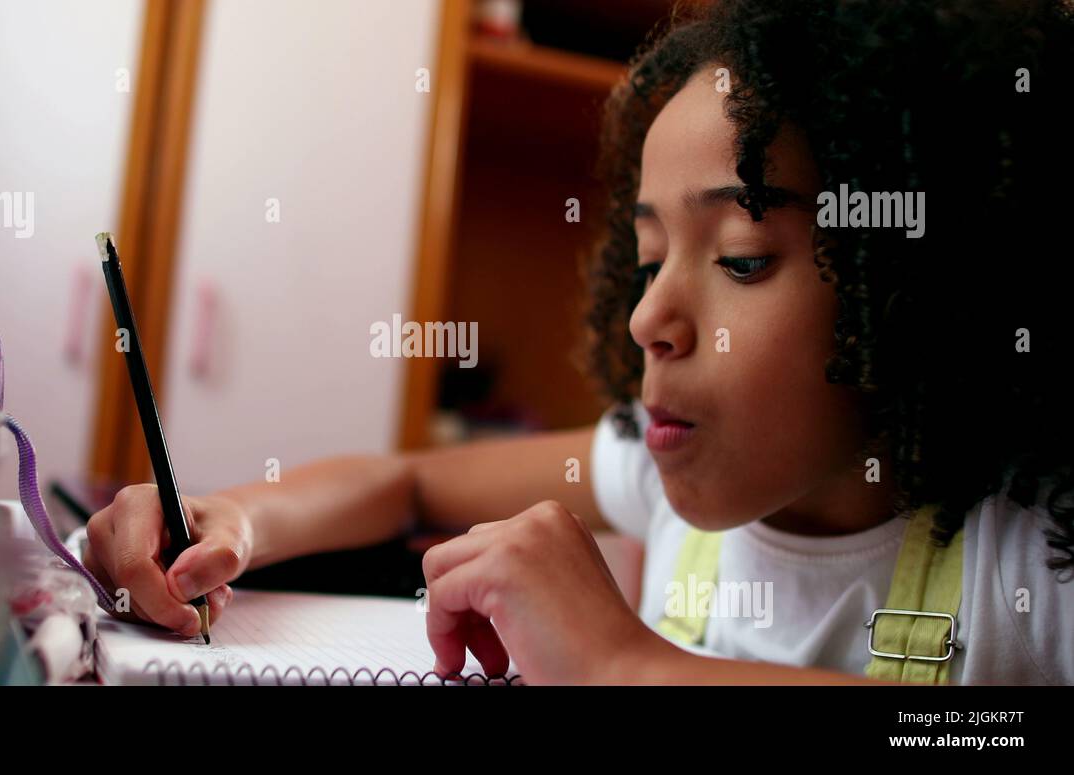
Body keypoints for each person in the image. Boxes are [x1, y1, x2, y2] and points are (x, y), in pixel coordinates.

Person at [82, 0, 1074, 684]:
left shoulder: (1024, 555)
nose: (650, 317)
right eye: (647, 261)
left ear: (913, 284)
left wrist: (627, 661)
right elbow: (409, 483)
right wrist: (239, 518)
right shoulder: (650, 470)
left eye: (737, 257)